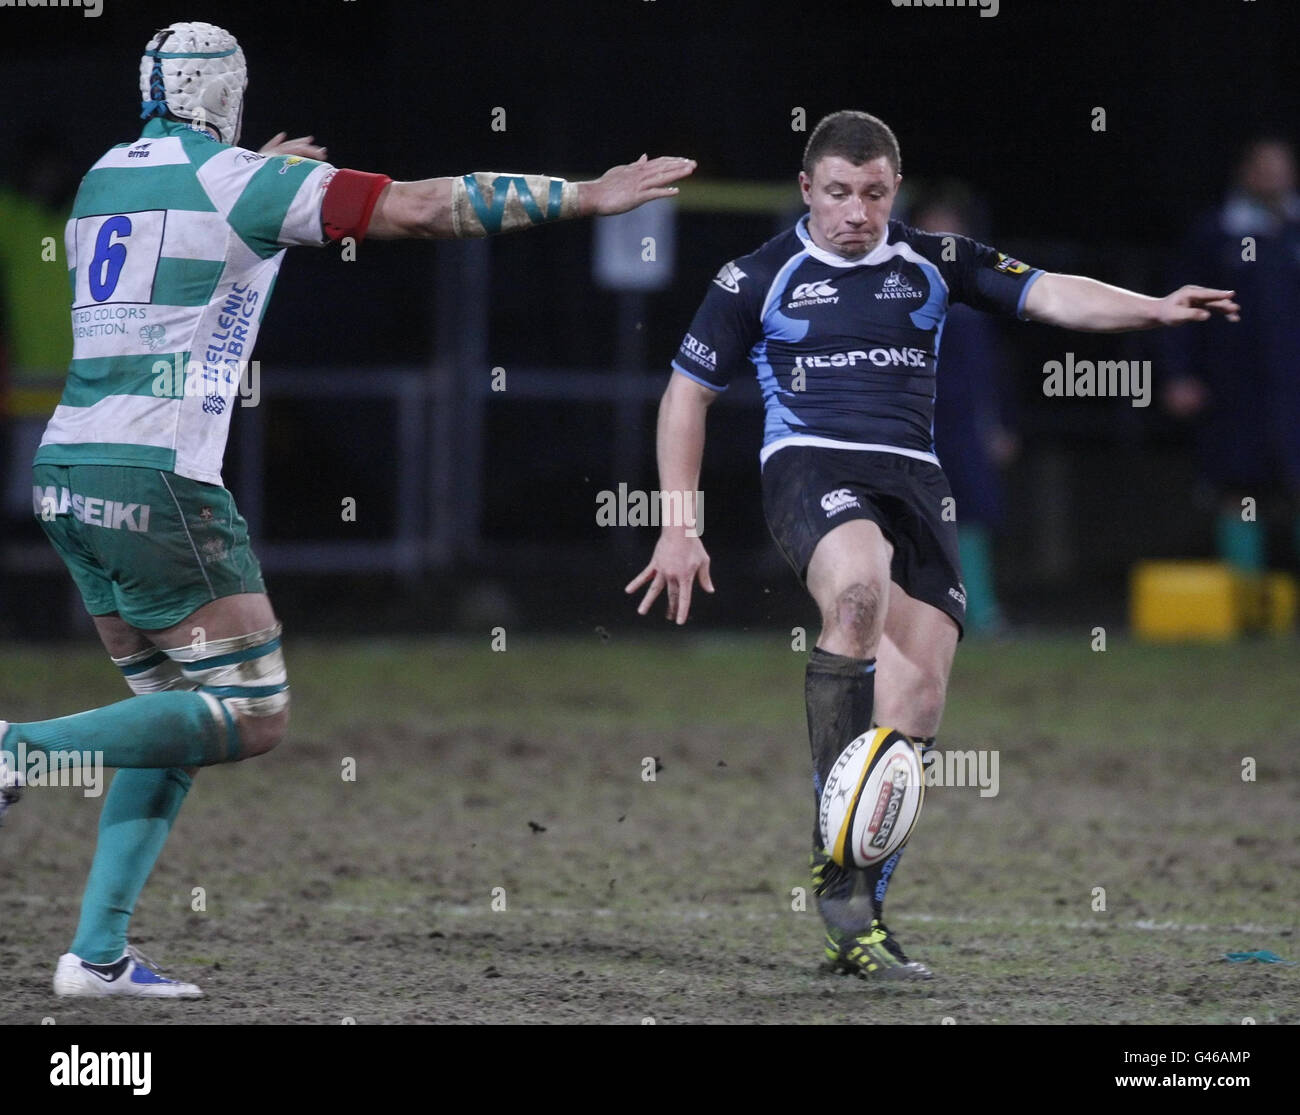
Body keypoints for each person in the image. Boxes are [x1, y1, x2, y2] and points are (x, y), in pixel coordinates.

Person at [0, 20, 694, 999]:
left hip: (68, 468)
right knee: (252, 715)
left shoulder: (105, 177)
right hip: (156, 481)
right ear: (227, 95)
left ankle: (97, 955)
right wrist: (585, 194)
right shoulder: (238, 182)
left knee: (173, 714)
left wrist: (261, 173)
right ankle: (15, 748)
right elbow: (418, 207)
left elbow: (192, 244)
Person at [627, 109, 1237, 980]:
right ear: (807, 190)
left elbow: (1053, 291)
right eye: (838, 193)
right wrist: (679, 526)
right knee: (858, 590)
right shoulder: (754, 276)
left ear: (894, 191)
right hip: (810, 464)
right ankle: (832, 866)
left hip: (916, 479)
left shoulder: (935, 261)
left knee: (914, 711)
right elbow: (685, 396)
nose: (856, 212)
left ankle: (860, 918)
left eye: (874, 194)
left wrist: (1158, 310)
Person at [1163, 137, 1300, 572]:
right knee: (1239, 488)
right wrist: (1180, 374)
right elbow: (1183, 305)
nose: (1274, 177)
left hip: (1294, 386)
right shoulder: (1215, 232)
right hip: (1236, 387)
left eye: (1282, 167)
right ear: (1246, 172)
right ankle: (1246, 601)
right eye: (1265, 167)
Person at [911, 185, 1018, 635]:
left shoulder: (979, 294)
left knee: (971, 514)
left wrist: (1001, 425)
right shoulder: (894, 291)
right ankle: (916, 617)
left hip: (966, 427)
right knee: (910, 516)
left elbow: (994, 372)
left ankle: (981, 611)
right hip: (911, 424)